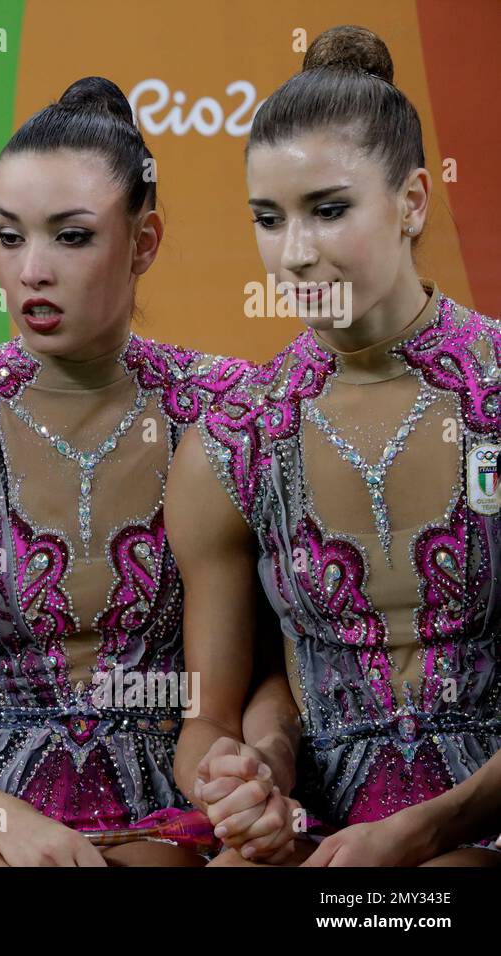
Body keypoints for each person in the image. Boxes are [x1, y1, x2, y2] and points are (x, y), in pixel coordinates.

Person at [0, 77, 252, 867]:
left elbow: (250, 682)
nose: (31, 269)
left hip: (162, 804)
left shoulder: (224, 411)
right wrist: (10, 826)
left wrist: (232, 775)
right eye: (9, 236)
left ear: (144, 243)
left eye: (71, 237)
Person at [171, 25, 501, 866]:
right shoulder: (233, 441)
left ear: (414, 201)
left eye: (329, 211)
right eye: (268, 219)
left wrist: (422, 831)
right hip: (323, 837)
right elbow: (216, 714)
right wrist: (250, 780)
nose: (295, 254)